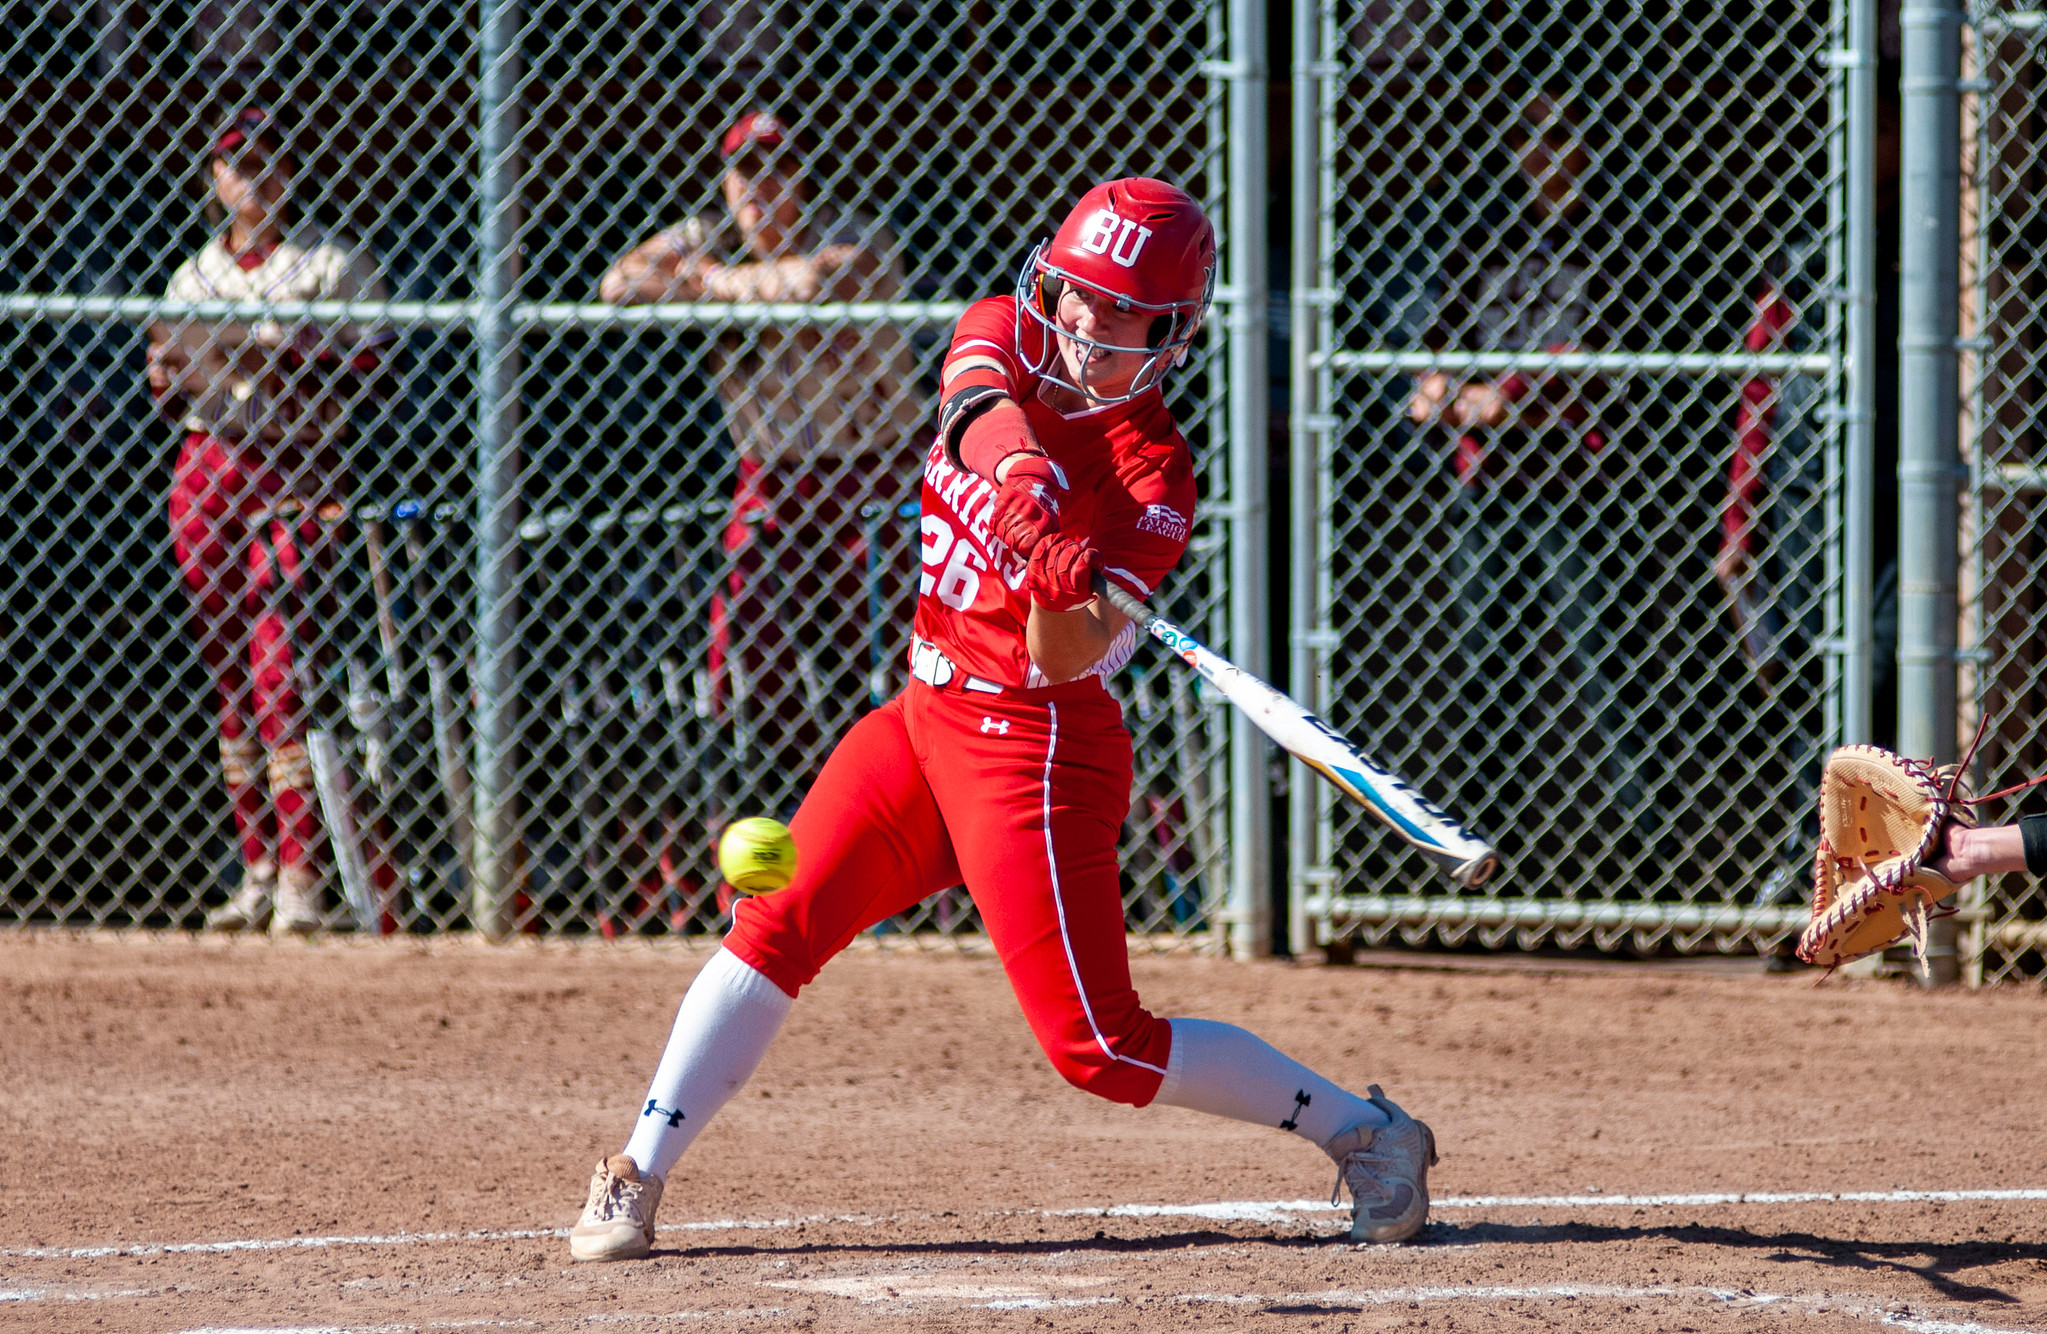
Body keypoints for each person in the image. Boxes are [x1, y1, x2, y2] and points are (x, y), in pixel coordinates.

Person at [567, 178, 1439, 1261]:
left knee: (1100, 1048)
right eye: (1076, 292)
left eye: (1121, 312)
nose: (1086, 322)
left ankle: (1367, 1133)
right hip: (922, 713)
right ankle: (637, 1169)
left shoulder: (1153, 478)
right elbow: (978, 407)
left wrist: (1056, 583)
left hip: (1036, 749)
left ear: (1170, 334)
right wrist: (1028, 490)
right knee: (777, 922)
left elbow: (1061, 659)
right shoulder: (1003, 331)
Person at [599, 111, 926, 813]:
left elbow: (826, 279)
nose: (761, 187)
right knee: (745, 638)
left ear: (803, 180)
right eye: (746, 171)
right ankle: (809, 786)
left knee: (883, 652)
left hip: (873, 468)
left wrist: (709, 282)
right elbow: (619, 282)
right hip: (772, 475)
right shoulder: (708, 236)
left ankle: (892, 792)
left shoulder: (852, 230)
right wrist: (729, 274)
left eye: (778, 170)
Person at [146, 106, 390, 934]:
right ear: (214, 179)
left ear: (290, 171)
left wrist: (276, 358)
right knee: (230, 675)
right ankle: (255, 868)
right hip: (210, 460)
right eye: (236, 164)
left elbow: (371, 373)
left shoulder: (330, 263)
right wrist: (172, 366)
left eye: (267, 161)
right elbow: (167, 383)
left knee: (278, 665)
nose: (253, 178)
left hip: (296, 462)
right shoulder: (195, 273)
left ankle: (300, 875)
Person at [1406, 94, 1658, 845]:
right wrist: (1440, 384)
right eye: (1524, 134)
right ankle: (1483, 836)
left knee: (1603, 659)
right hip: (1488, 484)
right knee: (1485, 663)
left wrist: (1507, 396)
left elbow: (1603, 357)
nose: (1541, 151)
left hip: (1578, 485)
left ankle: (1652, 839)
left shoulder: (1615, 237)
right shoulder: (1483, 232)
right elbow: (1441, 339)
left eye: (1558, 133)